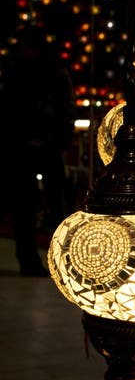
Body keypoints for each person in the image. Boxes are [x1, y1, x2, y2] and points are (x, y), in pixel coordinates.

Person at [0, 24, 75, 276]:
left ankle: (46, 259)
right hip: (29, 145)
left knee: (39, 205)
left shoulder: (19, 72)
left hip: (33, 144)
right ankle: (47, 260)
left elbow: (64, 108)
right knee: (34, 205)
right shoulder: (33, 71)